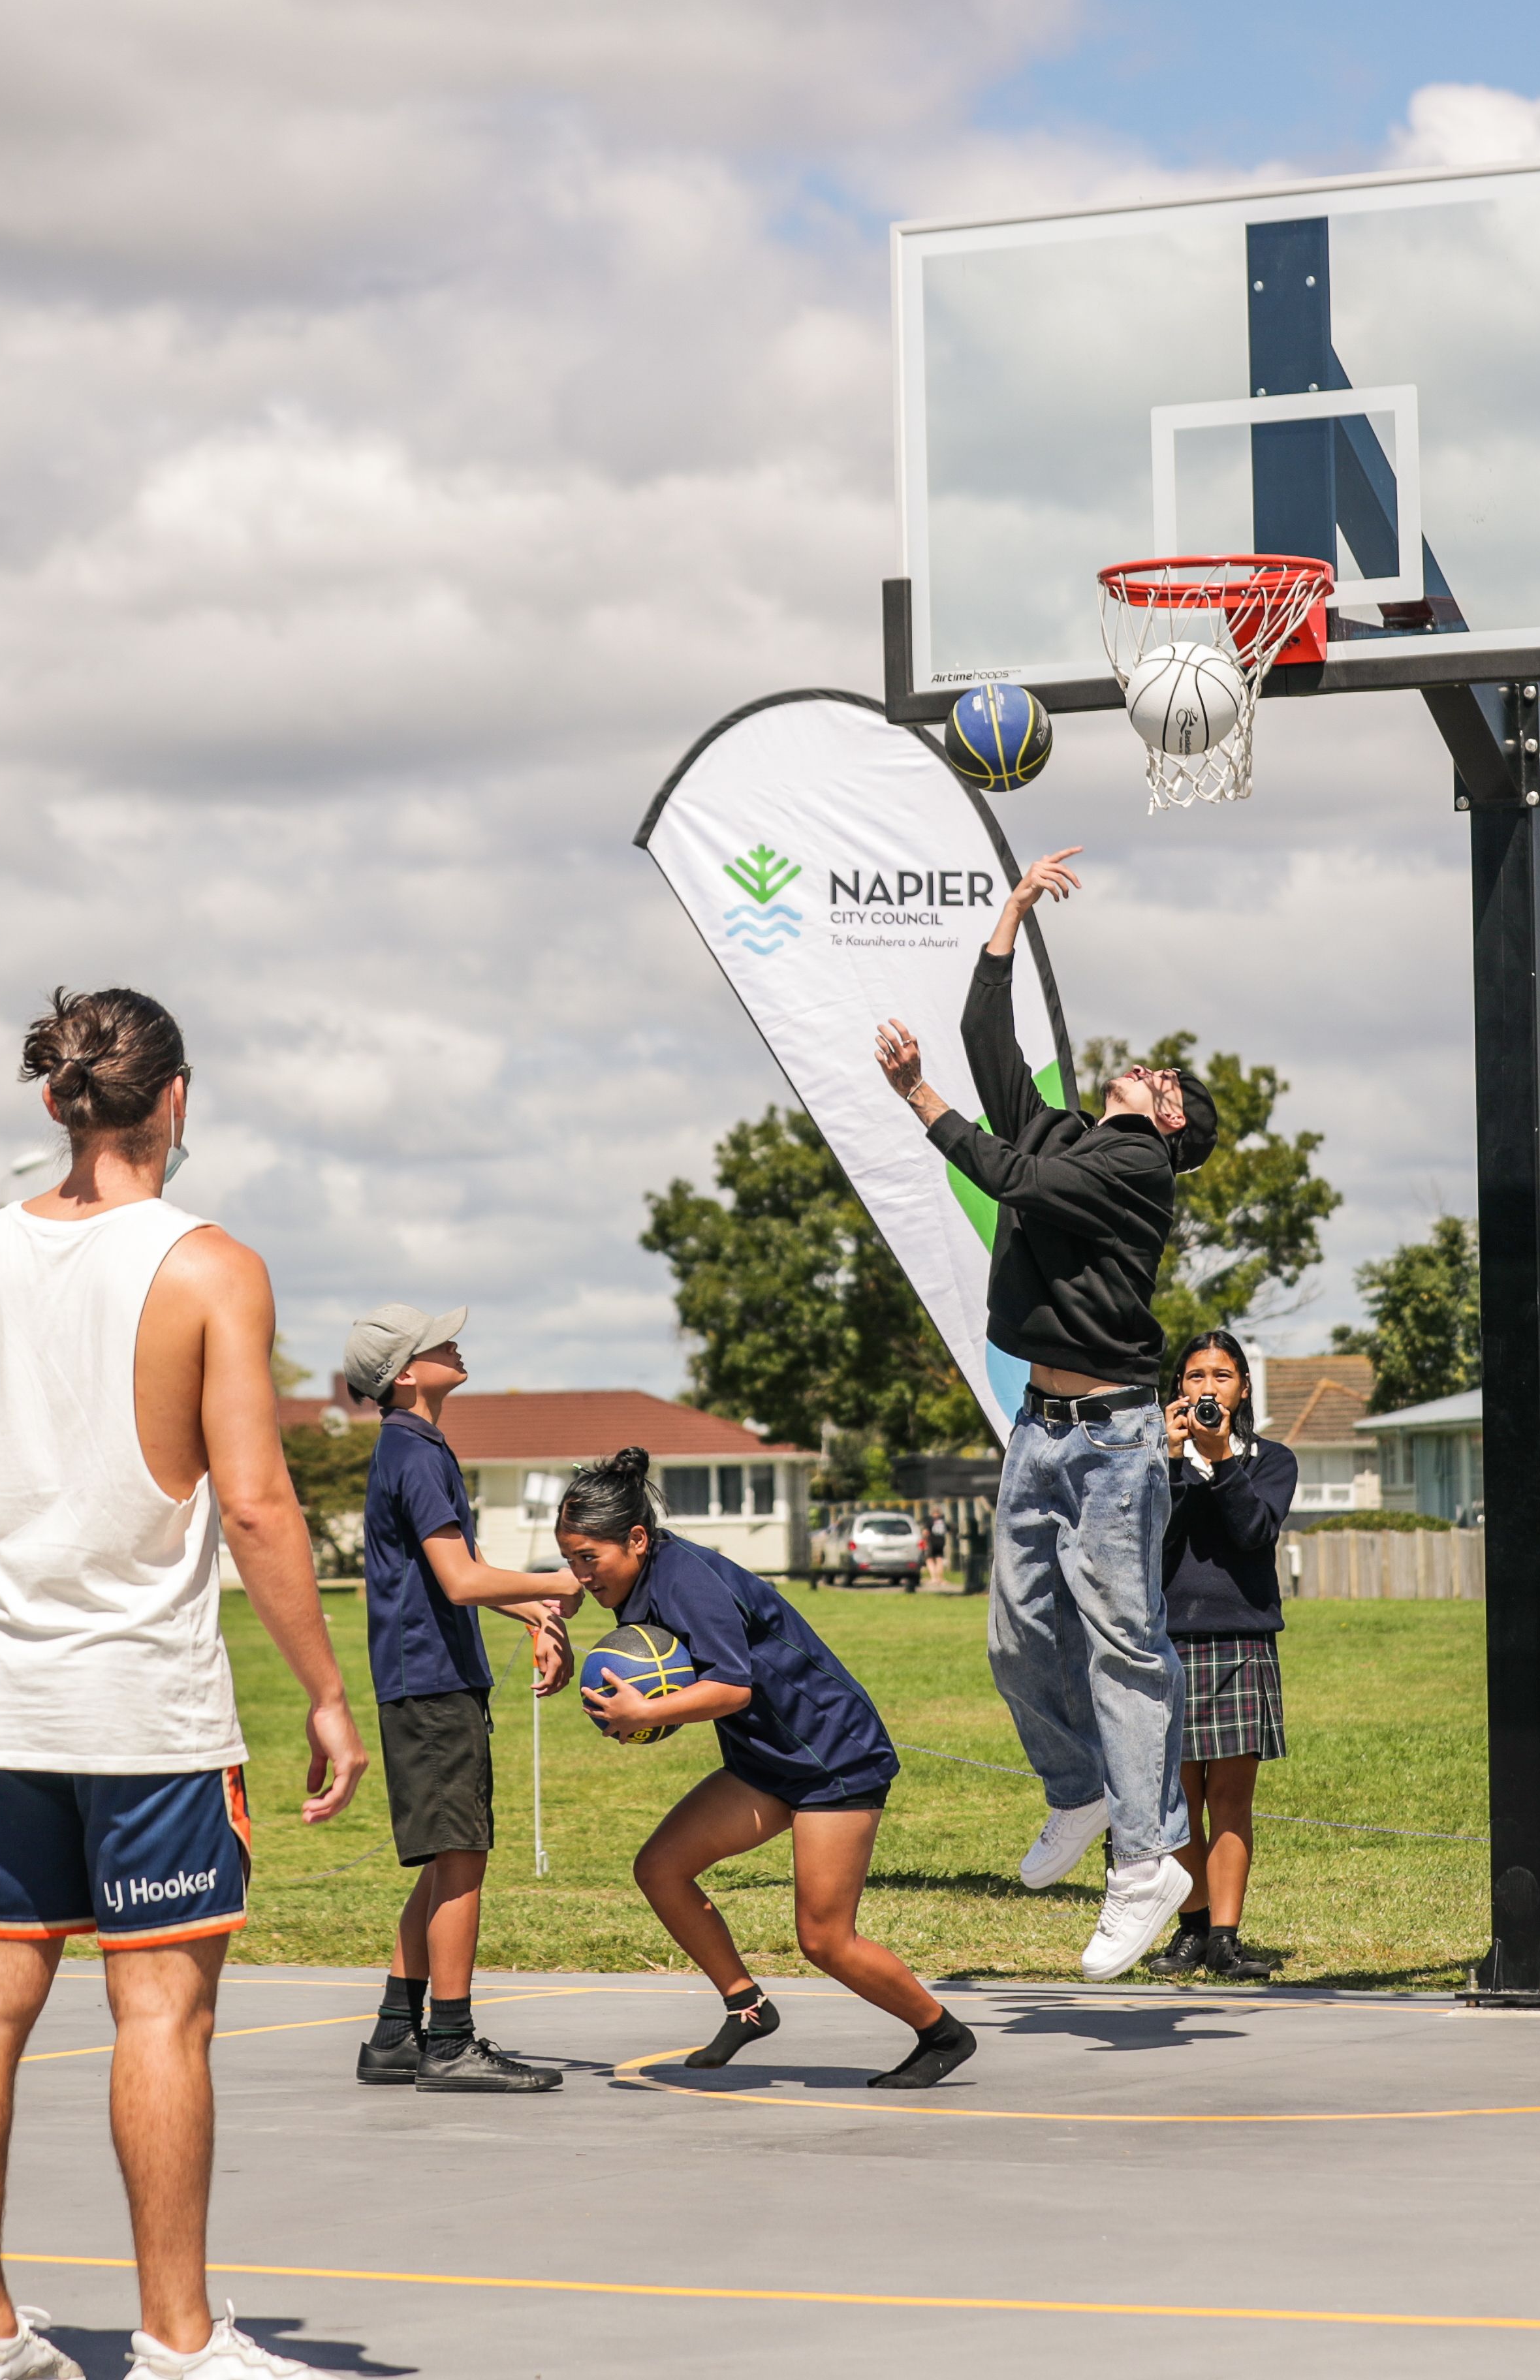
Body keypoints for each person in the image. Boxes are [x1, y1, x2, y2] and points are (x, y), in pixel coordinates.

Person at [0, 986, 369, 2380]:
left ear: (57, 1104)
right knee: (161, 2015)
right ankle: (180, 2343)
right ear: (175, 1100)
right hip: (148, 1711)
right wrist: (323, 1691)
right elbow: (255, 1505)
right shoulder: (209, 1265)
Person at [874, 845, 1219, 1981]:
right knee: (1016, 1635)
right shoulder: (1070, 1130)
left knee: (1127, 1649)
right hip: (1040, 1427)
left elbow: (1010, 1180)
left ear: (1168, 1126)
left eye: (1165, 1083)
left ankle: (1148, 1858)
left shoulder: (1139, 1174)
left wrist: (919, 1103)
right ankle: (1076, 1789)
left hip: (1118, 1435)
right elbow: (994, 1052)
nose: (1148, 1072)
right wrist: (1007, 917)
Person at [558, 1450, 976, 2088]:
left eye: (589, 1558)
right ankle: (746, 2006)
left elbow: (732, 1688)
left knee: (824, 1940)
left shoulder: (685, 1581)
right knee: (660, 1868)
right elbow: (658, 1660)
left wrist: (651, 1707)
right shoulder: (639, 1578)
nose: (580, 1574)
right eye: (570, 1559)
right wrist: (555, 1635)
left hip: (833, 1758)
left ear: (636, 1539)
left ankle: (943, 2034)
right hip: (767, 1760)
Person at [345, 1304, 577, 2092]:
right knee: (462, 1858)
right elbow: (459, 1580)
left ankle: (393, 2038)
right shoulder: (412, 1452)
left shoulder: (420, 1445)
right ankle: (448, 2043)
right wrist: (562, 1582)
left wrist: (535, 1613)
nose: (456, 1343)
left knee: (446, 1859)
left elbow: (463, 1564)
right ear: (406, 1374)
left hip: (434, 1680)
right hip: (430, 1684)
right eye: (438, 1341)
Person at [1149, 1330, 1297, 1982]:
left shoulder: (1271, 1459)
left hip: (1241, 1639)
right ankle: (1191, 1931)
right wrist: (1174, 1462)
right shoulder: (1155, 1459)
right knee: (1178, 1802)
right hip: (1167, 1641)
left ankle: (1226, 1940)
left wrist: (1222, 1460)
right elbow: (1153, 1542)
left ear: (1243, 1389)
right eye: (1195, 1376)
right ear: (1178, 1388)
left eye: (1222, 1376)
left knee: (1230, 1799)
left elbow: (1254, 1531)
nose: (1208, 1387)